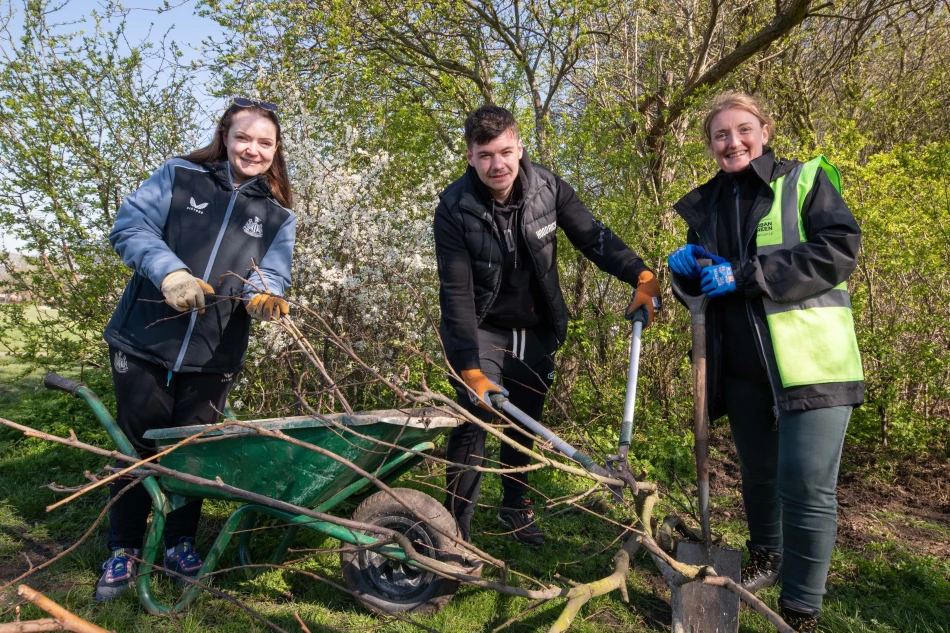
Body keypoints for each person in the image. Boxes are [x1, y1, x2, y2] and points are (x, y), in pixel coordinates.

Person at [667, 91, 863, 632]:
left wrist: (749, 274)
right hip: (741, 366)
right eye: (721, 135)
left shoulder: (804, 182)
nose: (734, 141)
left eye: (743, 129)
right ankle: (766, 558)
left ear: (765, 131)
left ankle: (801, 609)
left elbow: (839, 250)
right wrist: (686, 273)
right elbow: (705, 287)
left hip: (812, 362)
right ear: (710, 145)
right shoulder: (704, 204)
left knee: (805, 484)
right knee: (757, 475)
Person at [96, 97, 297, 601]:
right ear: (225, 137)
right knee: (137, 446)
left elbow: (268, 274)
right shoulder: (180, 176)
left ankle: (179, 545)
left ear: (276, 151)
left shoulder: (276, 215)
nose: (253, 149)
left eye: (264, 143)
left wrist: (263, 297)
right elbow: (130, 227)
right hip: (144, 340)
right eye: (244, 138)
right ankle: (123, 549)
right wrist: (172, 272)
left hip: (213, 354)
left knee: (192, 452)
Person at [434, 104, 661, 546]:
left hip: (537, 329)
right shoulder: (454, 209)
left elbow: (594, 237)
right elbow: (456, 293)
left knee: (526, 425)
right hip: (483, 329)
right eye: (485, 155)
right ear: (470, 157)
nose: (496, 164)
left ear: (520, 147)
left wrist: (641, 275)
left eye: (504, 151)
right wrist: (468, 365)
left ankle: (514, 507)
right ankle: (452, 529)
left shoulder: (548, 189)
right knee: (474, 419)